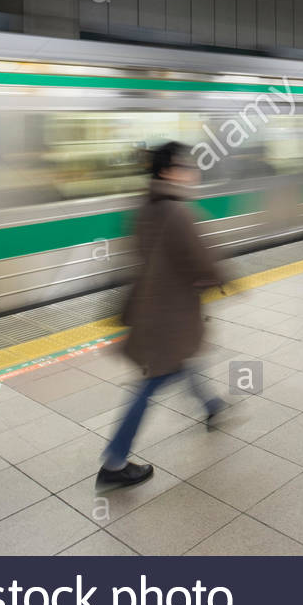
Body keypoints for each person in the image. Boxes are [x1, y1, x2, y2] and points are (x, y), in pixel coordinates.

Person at [97, 141, 227, 492]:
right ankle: (114, 461)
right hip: (168, 315)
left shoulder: (145, 206)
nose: (192, 171)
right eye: (185, 165)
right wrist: (223, 277)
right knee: (154, 379)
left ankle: (213, 405)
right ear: (168, 171)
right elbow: (202, 259)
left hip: (152, 310)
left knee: (181, 363)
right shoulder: (177, 212)